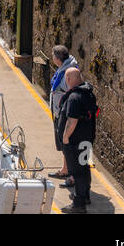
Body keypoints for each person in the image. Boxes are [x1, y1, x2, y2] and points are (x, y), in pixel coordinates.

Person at [57, 66, 98, 213]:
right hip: (86, 139)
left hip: (74, 141)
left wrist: (65, 137)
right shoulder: (88, 93)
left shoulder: (74, 97)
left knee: (77, 171)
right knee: (84, 167)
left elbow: (72, 121)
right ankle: (85, 195)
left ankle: (78, 204)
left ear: (68, 79)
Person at [48, 45, 78, 180]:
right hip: (59, 112)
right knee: (63, 142)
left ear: (57, 58)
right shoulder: (63, 68)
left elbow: (71, 90)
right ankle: (65, 169)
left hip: (65, 113)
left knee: (67, 142)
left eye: (53, 55)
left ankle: (69, 172)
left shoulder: (68, 72)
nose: (52, 57)